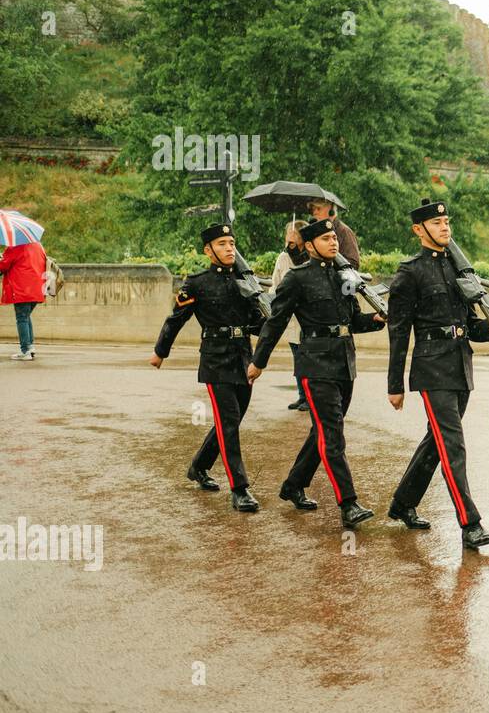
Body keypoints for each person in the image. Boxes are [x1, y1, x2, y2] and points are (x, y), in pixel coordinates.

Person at [385, 199, 489, 548]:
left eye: (446, 221)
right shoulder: (409, 273)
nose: (445, 227)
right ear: (419, 230)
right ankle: (470, 525)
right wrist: (395, 384)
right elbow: (398, 332)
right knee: (452, 445)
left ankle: (402, 504)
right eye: (436, 222)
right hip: (431, 368)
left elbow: (471, 325)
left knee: (437, 442)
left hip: (460, 363)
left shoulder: (460, 270)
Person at [248, 218, 387, 527]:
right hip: (315, 364)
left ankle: (294, 484)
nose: (333, 242)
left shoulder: (344, 276)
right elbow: (276, 321)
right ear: (310, 246)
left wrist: (374, 321)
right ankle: (348, 503)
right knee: (333, 435)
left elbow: (351, 320)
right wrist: (259, 361)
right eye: (325, 239)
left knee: (322, 432)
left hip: (344, 363)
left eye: (334, 237)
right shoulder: (297, 278)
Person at [149, 223, 265, 512]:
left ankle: (199, 466)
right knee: (229, 423)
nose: (229, 248)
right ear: (208, 250)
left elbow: (258, 322)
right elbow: (176, 319)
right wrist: (160, 351)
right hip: (215, 361)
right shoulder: (197, 283)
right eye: (223, 244)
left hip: (243, 358)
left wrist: (269, 318)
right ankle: (240, 490)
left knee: (232, 421)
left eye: (231, 243)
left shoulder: (246, 281)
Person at [271, 220, 310, 411]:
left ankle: (310, 397)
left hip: (308, 317)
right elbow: (275, 283)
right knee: (297, 357)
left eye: (294, 233)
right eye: (288, 233)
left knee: (307, 358)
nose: (290, 237)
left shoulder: (311, 256)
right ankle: (302, 396)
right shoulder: (283, 258)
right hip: (291, 317)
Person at [0, 239, 48, 361]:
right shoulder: (38, 246)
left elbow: (3, 265)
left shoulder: (15, 246)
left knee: (21, 318)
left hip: (22, 289)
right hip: (37, 288)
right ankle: (30, 347)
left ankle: (25, 350)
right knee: (25, 316)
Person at [305, 199, 360, 269]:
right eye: (313, 210)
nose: (314, 212)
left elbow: (354, 263)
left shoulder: (344, 231)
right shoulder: (315, 233)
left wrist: (329, 266)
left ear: (331, 210)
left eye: (318, 209)